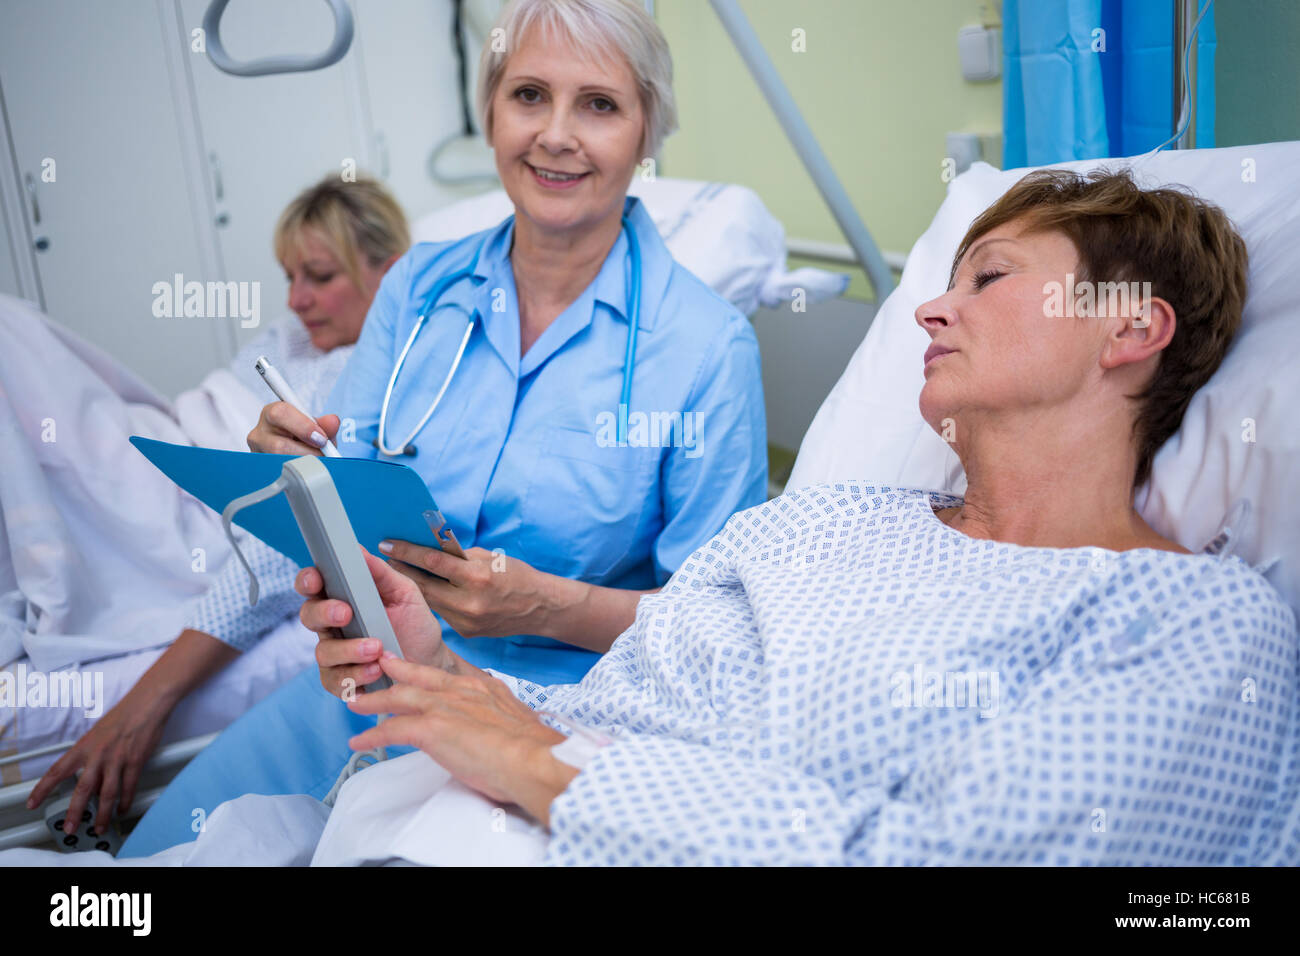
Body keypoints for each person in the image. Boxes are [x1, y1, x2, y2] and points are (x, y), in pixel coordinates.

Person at [283, 166, 1295, 864]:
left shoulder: (1197, 621)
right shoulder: (811, 525)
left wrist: (547, 772)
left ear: (1130, 326)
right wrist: (435, 666)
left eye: (990, 279)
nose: (928, 312)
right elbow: (608, 714)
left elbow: (952, 856)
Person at [117, 0, 767, 857]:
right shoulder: (420, 290)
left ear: (648, 131)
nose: (557, 135)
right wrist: (300, 473)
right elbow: (350, 484)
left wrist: (552, 607)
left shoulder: (704, 349)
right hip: (374, 673)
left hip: (555, 714)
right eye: (529, 95)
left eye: (600, 105)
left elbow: (713, 632)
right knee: (148, 862)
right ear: (492, 109)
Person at [25, 173, 410, 840]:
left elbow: (279, 533)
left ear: (390, 271)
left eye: (318, 276)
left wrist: (147, 699)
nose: (297, 300)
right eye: (289, 276)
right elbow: (206, 415)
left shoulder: (368, 379)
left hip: (186, 512)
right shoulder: (287, 340)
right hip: (172, 445)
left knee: (14, 342)